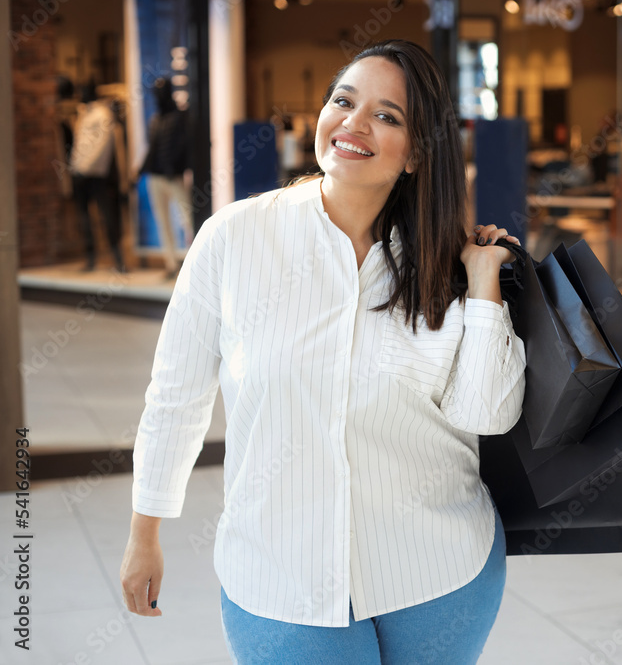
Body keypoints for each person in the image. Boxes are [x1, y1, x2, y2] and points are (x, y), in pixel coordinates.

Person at [119, 39, 527, 664]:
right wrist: (144, 532)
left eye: (387, 116)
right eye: (344, 101)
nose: (353, 124)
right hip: (281, 578)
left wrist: (482, 283)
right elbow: (176, 394)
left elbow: (486, 414)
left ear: (417, 151)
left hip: (438, 572)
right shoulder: (234, 239)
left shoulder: (447, 260)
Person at [69, 79, 128, 273]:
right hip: (81, 173)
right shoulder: (83, 113)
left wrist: (85, 168)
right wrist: (75, 167)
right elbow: (80, 145)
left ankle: (118, 260)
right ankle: (91, 258)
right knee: (85, 218)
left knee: (107, 216)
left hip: (97, 174)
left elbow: (102, 146)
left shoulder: (102, 114)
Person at [140, 77, 193, 280]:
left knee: (187, 219)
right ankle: (171, 264)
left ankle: (195, 261)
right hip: (156, 177)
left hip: (175, 177)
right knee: (163, 222)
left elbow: (186, 145)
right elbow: (151, 149)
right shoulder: (155, 120)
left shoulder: (180, 117)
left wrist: (181, 167)